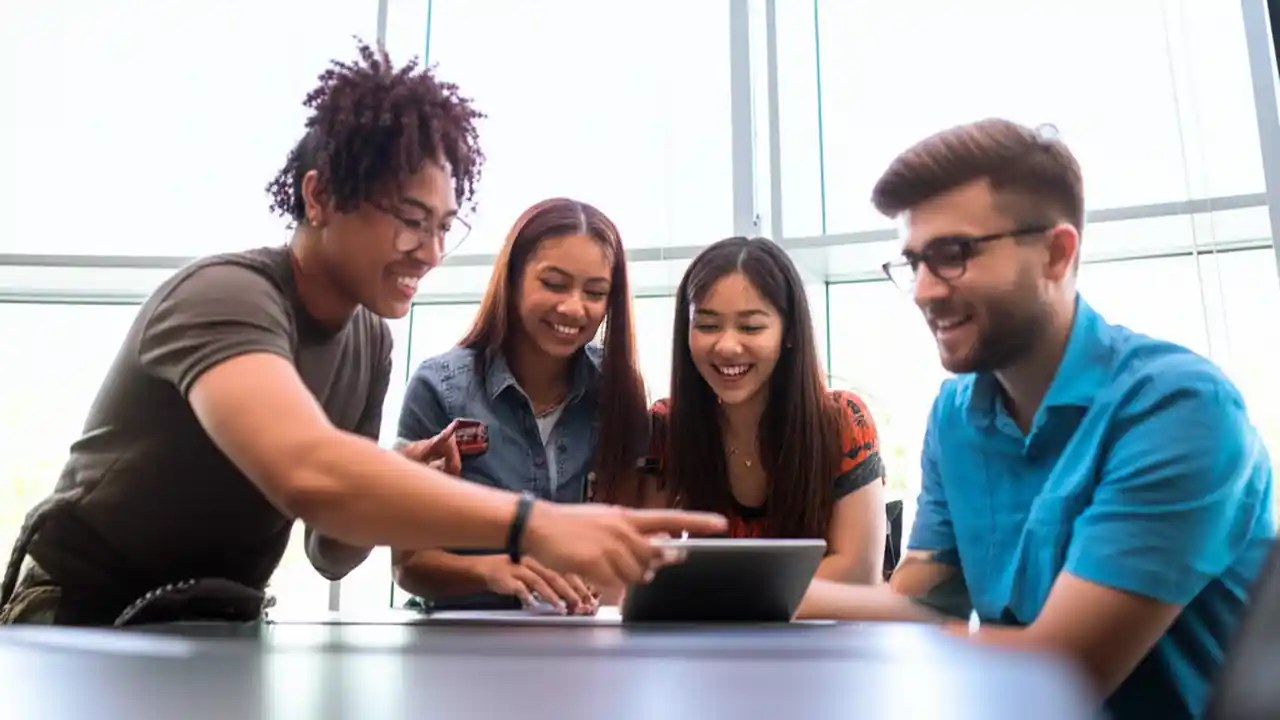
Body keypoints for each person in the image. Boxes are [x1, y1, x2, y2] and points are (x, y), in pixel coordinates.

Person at [0, 43, 724, 627]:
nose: (431, 250)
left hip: (210, 626)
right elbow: (307, 473)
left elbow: (332, 550)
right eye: (410, 219)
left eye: (444, 226)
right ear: (319, 196)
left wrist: (402, 476)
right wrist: (534, 524)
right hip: (82, 618)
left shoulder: (368, 339)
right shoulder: (226, 298)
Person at [798, 118, 1276, 719]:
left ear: (1057, 253)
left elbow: (1059, 672)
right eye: (913, 261)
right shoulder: (954, 416)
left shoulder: (1179, 409)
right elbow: (923, 603)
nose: (922, 290)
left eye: (951, 256)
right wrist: (749, 597)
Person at [392, 198, 648, 616]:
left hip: (580, 646)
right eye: (554, 283)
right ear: (512, 280)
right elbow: (409, 565)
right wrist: (491, 570)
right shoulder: (438, 388)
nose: (573, 307)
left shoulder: (619, 393)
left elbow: (630, 550)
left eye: (595, 292)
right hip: (462, 641)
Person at [635, 237, 888, 585]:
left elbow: (857, 572)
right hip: (708, 638)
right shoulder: (667, 426)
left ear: (789, 332)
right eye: (707, 326)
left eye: (751, 327)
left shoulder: (843, 420)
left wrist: (715, 594)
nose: (726, 346)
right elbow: (644, 564)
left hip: (819, 637)